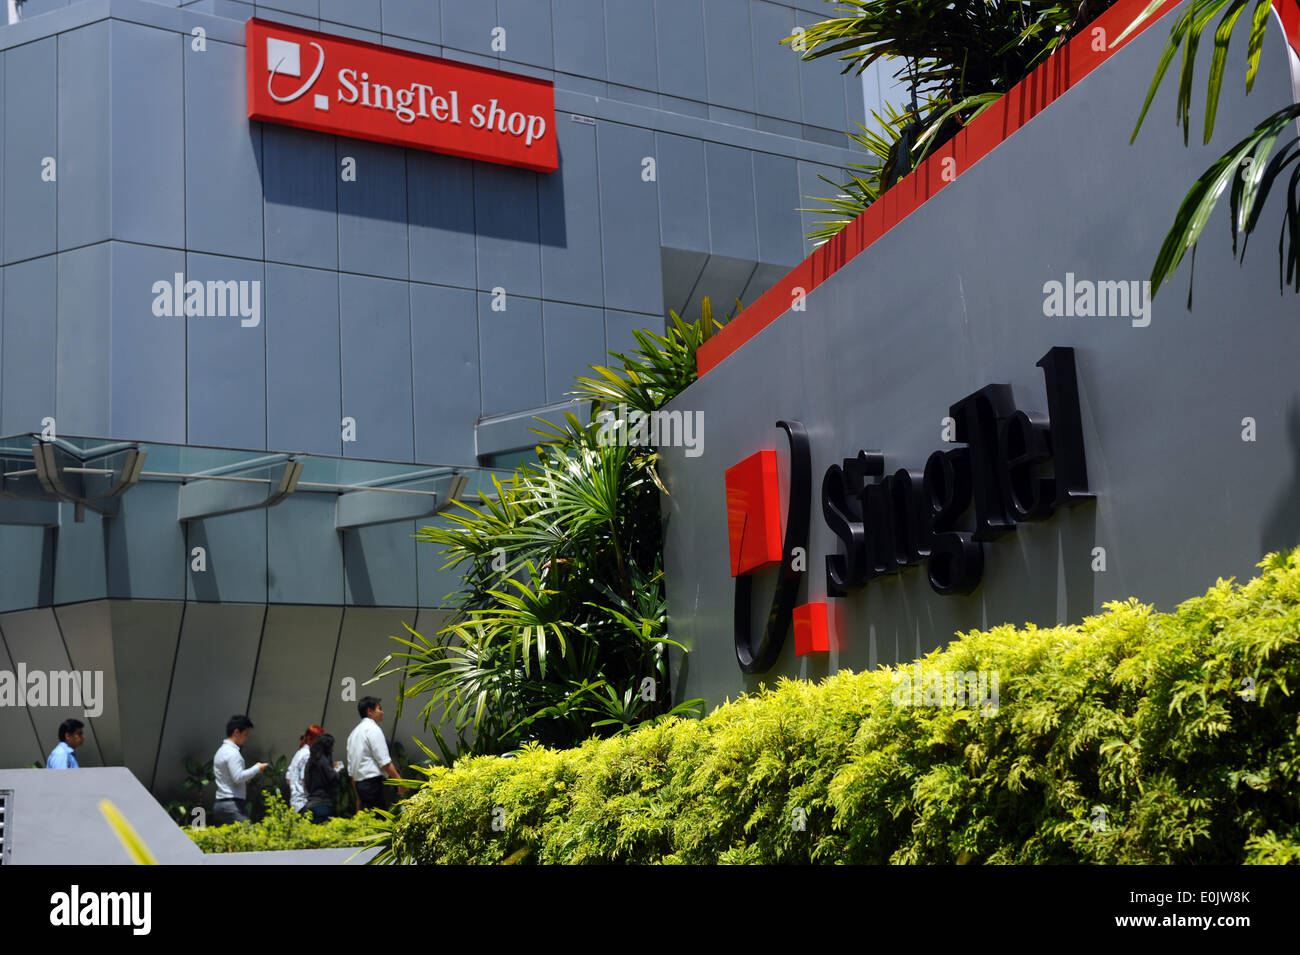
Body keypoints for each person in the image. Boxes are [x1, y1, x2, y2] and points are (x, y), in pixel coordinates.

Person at [346, 696, 404, 811]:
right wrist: (400, 782)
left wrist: (358, 798)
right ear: (370, 711)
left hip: (360, 786)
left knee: (367, 823)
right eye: (379, 708)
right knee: (379, 823)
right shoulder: (373, 729)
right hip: (373, 785)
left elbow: (352, 772)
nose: (382, 712)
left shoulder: (353, 734)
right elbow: (384, 761)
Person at [212, 714, 267, 825]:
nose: (246, 739)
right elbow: (238, 777)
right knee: (250, 834)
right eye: (245, 734)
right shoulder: (233, 753)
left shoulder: (221, 751)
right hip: (232, 805)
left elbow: (231, 776)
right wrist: (257, 768)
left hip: (220, 804)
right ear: (236, 732)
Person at [302, 733, 343, 824]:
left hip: (311, 803)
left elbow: (306, 782)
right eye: (332, 747)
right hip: (323, 803)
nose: (332, 750)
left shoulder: (310, 762)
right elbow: (333, 778)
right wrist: (336, 770)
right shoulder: (323, 761)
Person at [286, 724, 324, 813]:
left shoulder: (299, 753)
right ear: (311, 739)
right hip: (305, 803)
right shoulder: (307, 755)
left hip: (295, 803)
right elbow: (306, 780)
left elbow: (288, 779)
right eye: (320, 740)